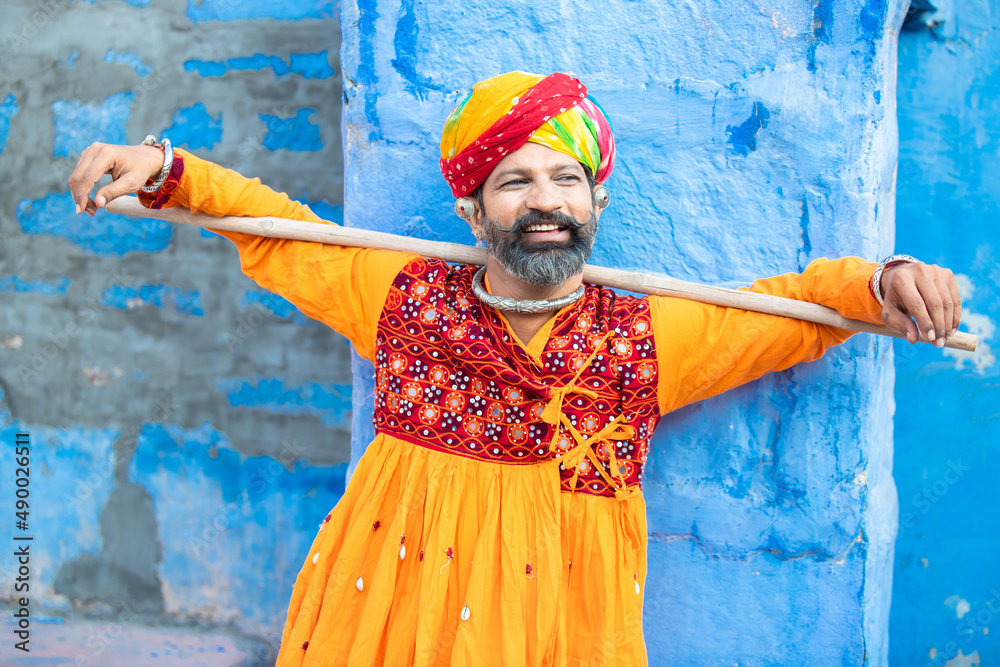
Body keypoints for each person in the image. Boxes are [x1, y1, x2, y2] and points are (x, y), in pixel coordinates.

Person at [68, 71, 960, 667]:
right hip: (385, 624)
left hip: (560, 637)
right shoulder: (400, 300)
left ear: (596, 198)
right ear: (472, 206)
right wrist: (166, 171)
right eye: (515, 181)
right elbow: (275, 230)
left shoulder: (648, 340)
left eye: (566, 179)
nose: (545, 201)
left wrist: (882, 282)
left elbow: (790, 313)